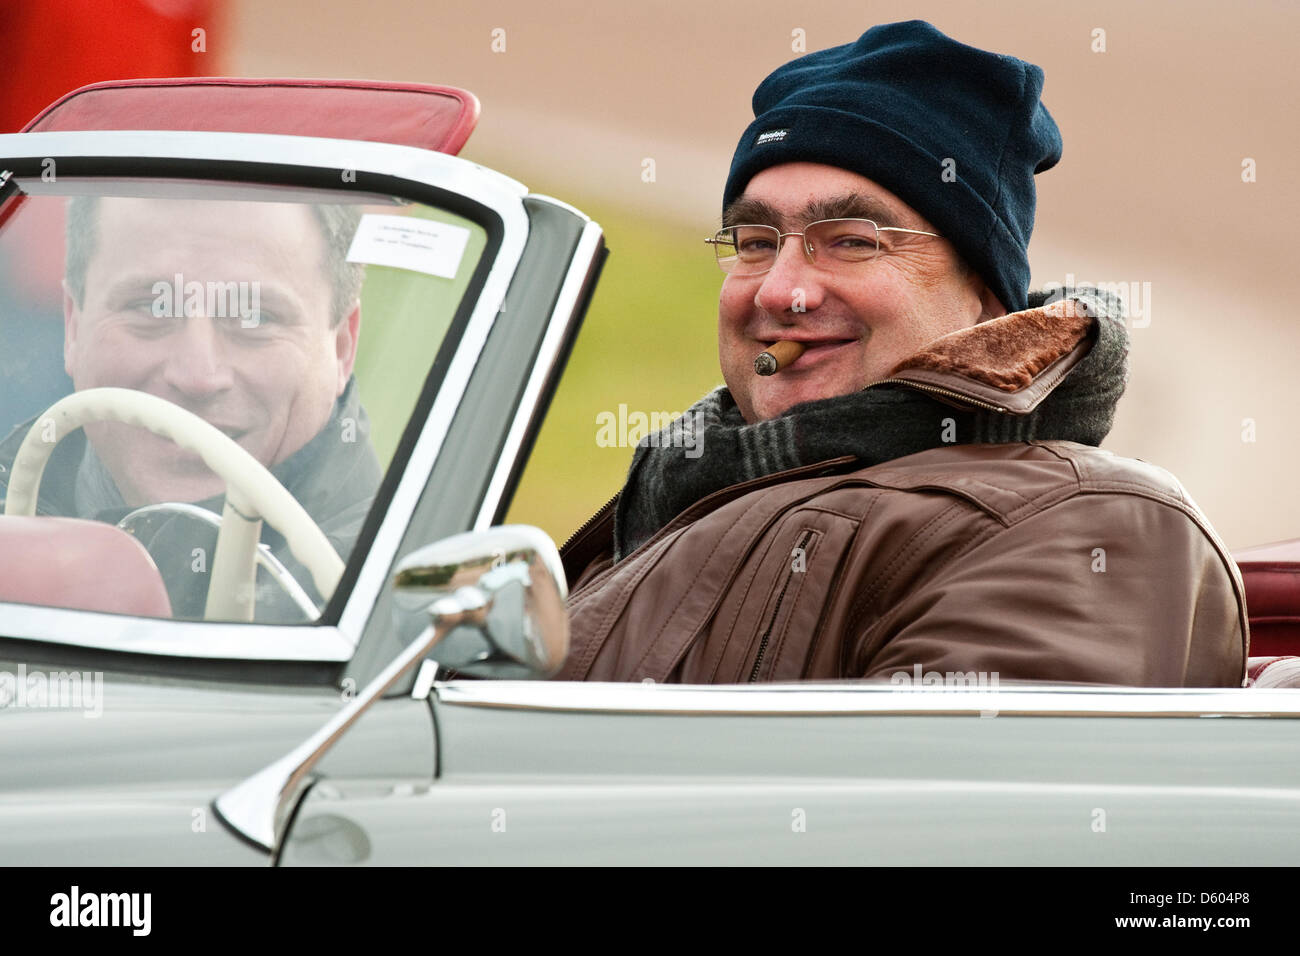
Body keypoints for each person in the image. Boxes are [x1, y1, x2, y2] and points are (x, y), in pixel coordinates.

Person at [557, 20, 1247, 686]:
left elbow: (932, 769)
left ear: (987, 299)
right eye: (757, 243)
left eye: (853, 242)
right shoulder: (685, 487)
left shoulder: (1073, 524)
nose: (779, 290)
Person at [0, 194, 381, 621]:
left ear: (342, 347)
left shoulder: (402, 608)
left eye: (255, 317)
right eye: (152, 307)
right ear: (73, 327)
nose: (198, 376)